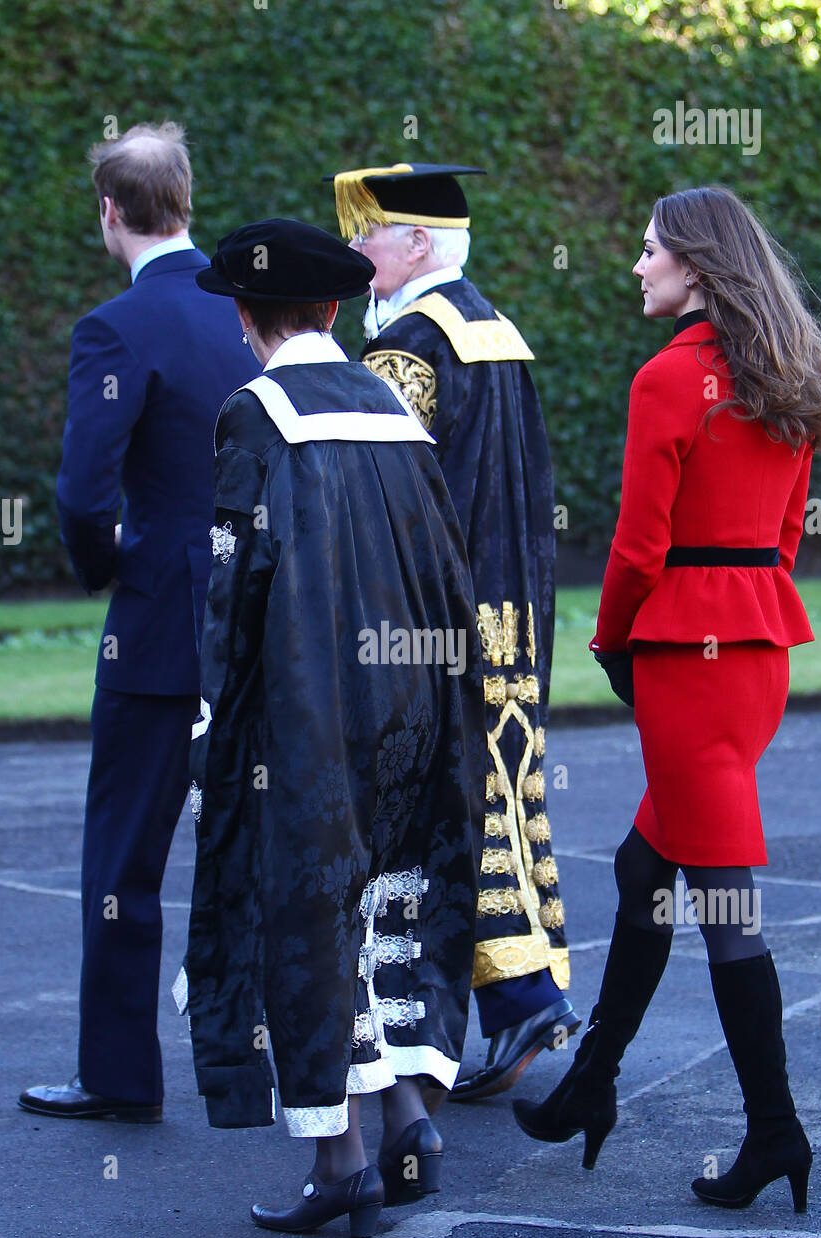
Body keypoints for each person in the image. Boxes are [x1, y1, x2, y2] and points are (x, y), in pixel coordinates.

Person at [513, 186, 821, 1212]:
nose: (635, 264)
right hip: (755, 647)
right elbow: (786, 530)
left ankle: (774, 1130)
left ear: (696, 269)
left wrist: (612, 640)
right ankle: (593, 1081)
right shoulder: (782, 371)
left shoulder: (668, 379)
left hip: (682, 654)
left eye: (649, 249)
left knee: (726, 906)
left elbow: (635, 546)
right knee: (643, 861)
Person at [183, 218, 485, 1238]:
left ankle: (341, 1159)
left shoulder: (255, 413)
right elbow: (445, 565)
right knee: (388, 908)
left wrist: (214, 729)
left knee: (312, 915)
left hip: (308, 708)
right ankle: (409, 1123)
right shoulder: (387, 404)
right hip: (408, 697)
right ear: (328, 308)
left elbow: (235, 587)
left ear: (242, 315)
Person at [329, 162, 579, 1103]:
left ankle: (445, 1034)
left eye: (368, 234)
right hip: (511, 605)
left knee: (436, 822)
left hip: (432, 623)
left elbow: (384, 497)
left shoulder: (408, 346)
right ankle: (524, 996)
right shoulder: (495, 328)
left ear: (418, 244)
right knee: (504, 795)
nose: (356, 251)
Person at [19, 123, 255, 1122]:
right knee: (261, 843)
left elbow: (81, 493)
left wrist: (105, 567)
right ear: (188, 198)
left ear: (111, 212)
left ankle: (120, 1074)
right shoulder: (249, 304)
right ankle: (262, 1067)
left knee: (127, 857)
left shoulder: (116, 328)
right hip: (258, 611)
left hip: (159, 626)